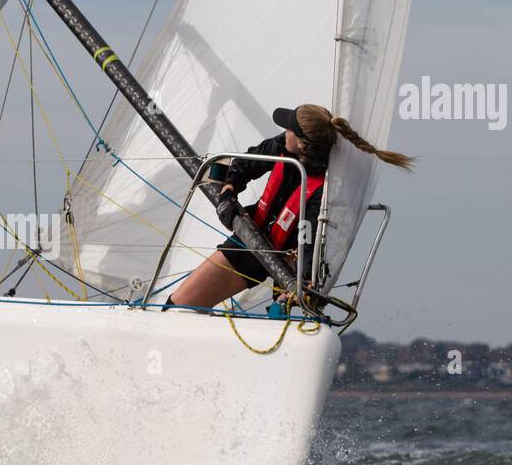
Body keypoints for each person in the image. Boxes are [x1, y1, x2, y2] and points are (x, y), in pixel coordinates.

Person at [169, 104, 414, 310]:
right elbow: (245, 162)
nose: (283, 130)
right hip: (250, 239)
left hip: (288, 262)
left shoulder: (324, 187)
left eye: (288, 128)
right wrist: (231, 187)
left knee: (179, 308)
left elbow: (309, 236)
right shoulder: (281, 146)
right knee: (180, 306)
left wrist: (303, 279)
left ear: (302, 144)